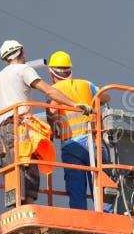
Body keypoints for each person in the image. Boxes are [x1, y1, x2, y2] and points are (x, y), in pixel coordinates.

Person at [0, 40, 87, 207]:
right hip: (20, 126)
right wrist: (74, 104)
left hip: (4, 130)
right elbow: (49, 90)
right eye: (23, 52)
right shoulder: (24, 70)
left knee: (13, 169)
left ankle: (16, 210)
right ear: (20, 52)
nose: (25, 55)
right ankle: (28, 208)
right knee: (29, 168)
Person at [45, 51, 113, 212]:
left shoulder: (52, 90)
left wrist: (52, 128)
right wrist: (93, 101)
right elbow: (106, 98)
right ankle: (109, 216)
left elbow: (53, 113)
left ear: (51, 72)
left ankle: (80, 216)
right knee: (102, 183)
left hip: (71, 145)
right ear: (69, 70)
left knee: (76, 187)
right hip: (94, 142)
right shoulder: (86, 84)